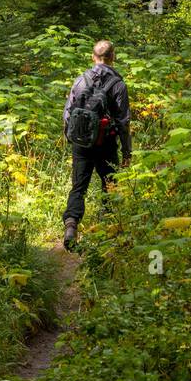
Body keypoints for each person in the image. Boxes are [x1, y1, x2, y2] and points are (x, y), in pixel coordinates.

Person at [62, 39, 131, 249]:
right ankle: (108, 230)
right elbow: (123, 121)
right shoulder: (118, 84)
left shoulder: (80, 80)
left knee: (79, 186)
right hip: (106, 143)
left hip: (81, 143)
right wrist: (127, 151)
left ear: (93, 57)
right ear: (113, 57)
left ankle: (71, 224)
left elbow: (67, 113)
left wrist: (70, 137)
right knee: (110, 184)